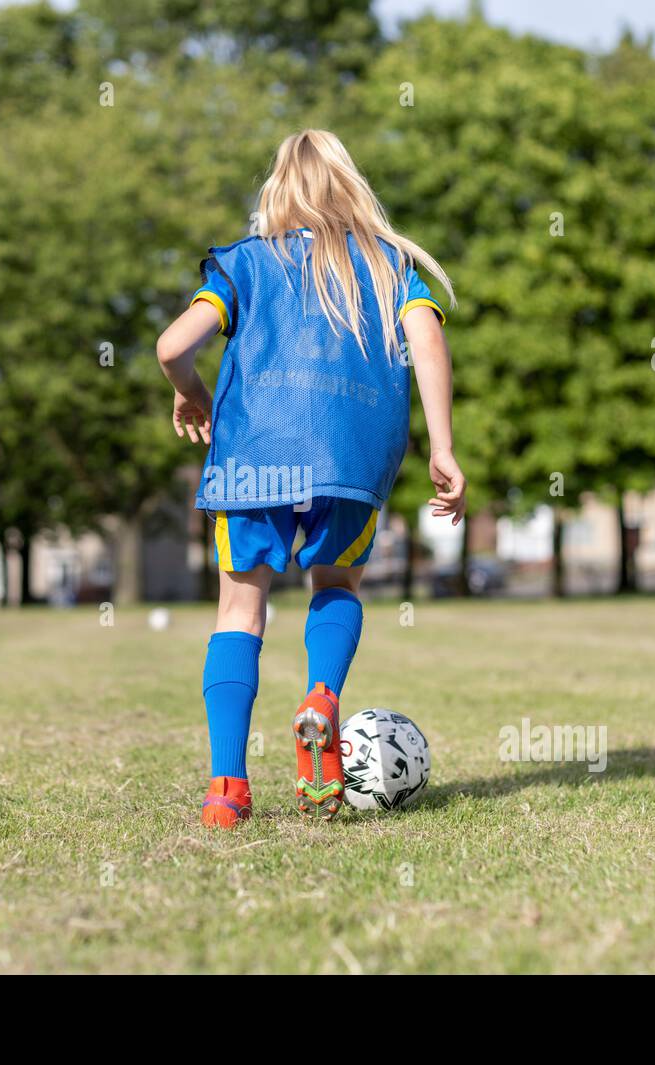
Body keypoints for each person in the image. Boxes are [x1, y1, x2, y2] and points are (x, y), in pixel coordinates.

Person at [155, 129, 465, 827]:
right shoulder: (389, 267)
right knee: (336, 585)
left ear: (277, 192)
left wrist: (190, 392)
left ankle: (226, 791)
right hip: (349, 465)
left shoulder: (246, 266)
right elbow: (428, 341)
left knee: (240, 613)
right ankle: (322, 695)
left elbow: (172, 345)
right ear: (351, 187)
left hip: (254, 463)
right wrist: (443, 447)